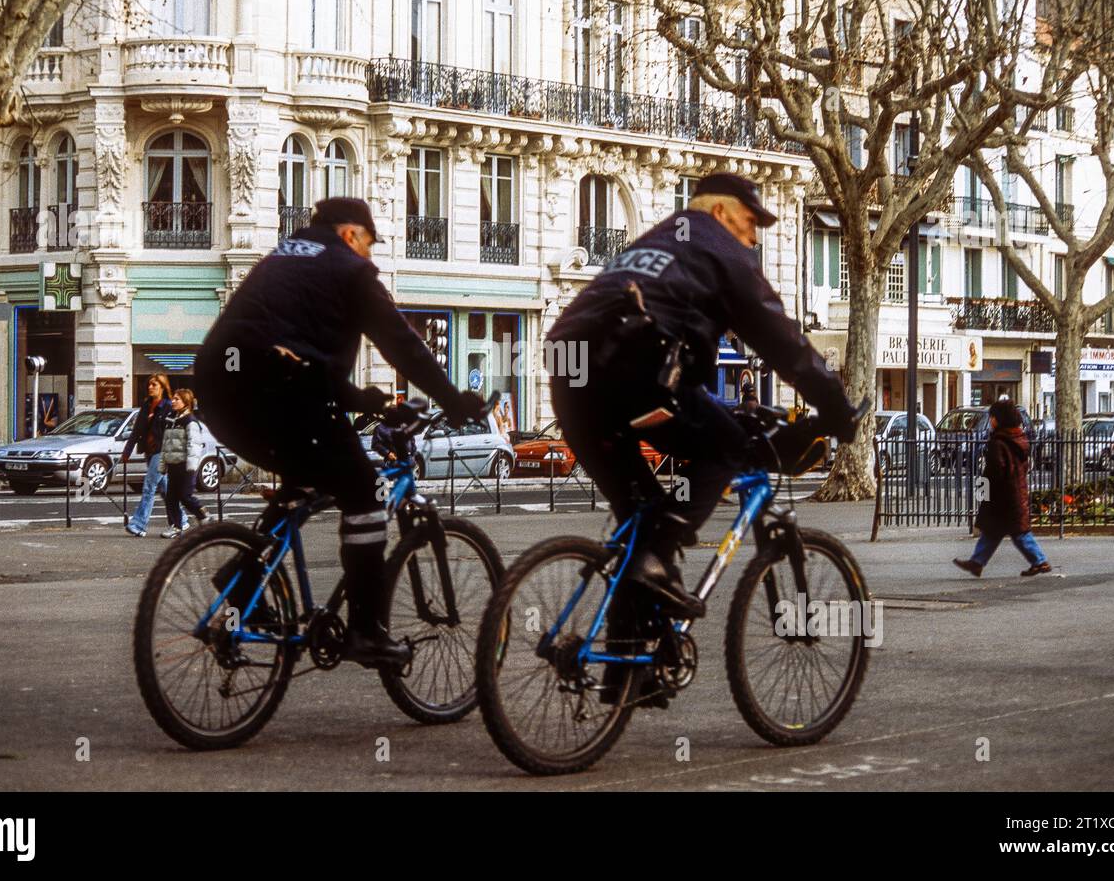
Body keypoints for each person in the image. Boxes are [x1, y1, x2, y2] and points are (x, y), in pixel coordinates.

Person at [548, 172, 858, 624]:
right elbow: (781, 340)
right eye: (750, 223)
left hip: (568, 374)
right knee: (728, 448)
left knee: (643, 525)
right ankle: (650, 563)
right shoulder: (720, 248)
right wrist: (835, 406)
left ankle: (627, 673)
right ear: (719, 212)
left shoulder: (656, 242)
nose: (753, 237)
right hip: (633, 371)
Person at [195, 196, 486, 667]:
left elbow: (296, 354)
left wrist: (367, 402)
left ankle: (243, 581)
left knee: (306, 476)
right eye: (369, 243)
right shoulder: (350, 269)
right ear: (351, 234)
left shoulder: (283, 255)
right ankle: (365, 633)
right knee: (365, 494)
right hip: (280, 392)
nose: (369, 254)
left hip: (218, 387)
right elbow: (402, 343)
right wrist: (453, 400)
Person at [953, 398, 1051, 577]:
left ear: (999, 419)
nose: (990, 420)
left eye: (992, 417)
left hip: (1004, 496)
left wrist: (983, 491)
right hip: (1015, 492)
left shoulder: (998, 443)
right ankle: (977, 562)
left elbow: (994, 471)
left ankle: (1039, 561)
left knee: (1017, 532)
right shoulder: (1018, 439)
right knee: (996, 531)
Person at [120, 374, 186, 538]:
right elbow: (136, 431)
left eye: (154, 385)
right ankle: (182, 520)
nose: (150, 387)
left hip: (162, 452)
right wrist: (127, 451)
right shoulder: (146, 405)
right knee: (166, 490)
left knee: (149, 487)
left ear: (163, 388)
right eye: (149, 384)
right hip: (149, 452)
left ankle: (139, 524)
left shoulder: (168, 406)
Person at [159, 388, 209, 538]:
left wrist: (191, 466)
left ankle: (204, 516)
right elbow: (165, 445)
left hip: (186, 466)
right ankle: (175, 526)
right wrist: (163, 464)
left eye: (177, 399)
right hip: (173, 465)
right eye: (173, 398)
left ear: (186, 403)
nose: (173, 401)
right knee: (171, 498)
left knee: (185, 496)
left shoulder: (190, 422)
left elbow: (194, 445)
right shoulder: (171, 420)